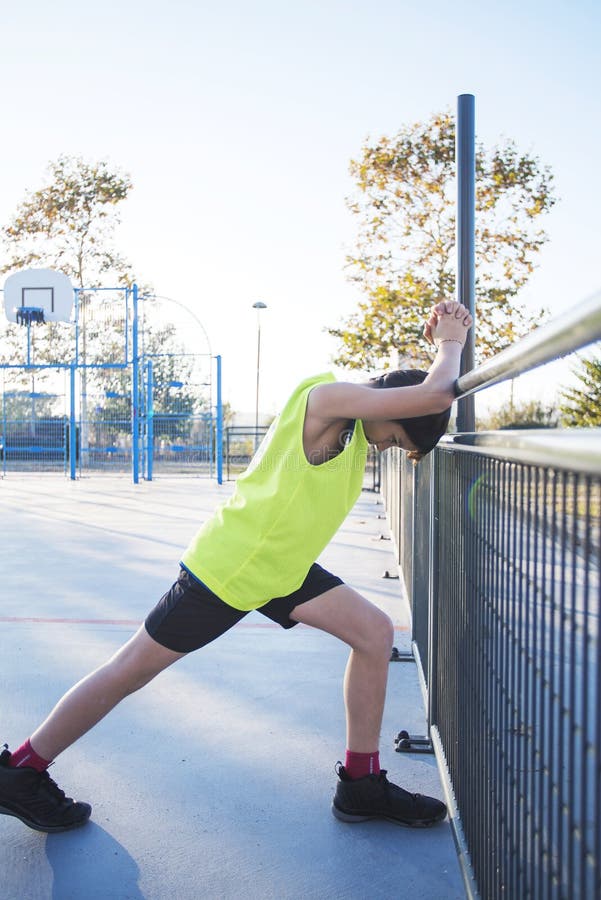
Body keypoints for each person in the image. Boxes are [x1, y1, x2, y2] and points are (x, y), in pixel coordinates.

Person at [0, 299, 472, 834]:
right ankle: (21, 769)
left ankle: (360, 784)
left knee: (373, 632)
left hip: (279, 570)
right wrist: (451, 341)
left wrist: (440, 359)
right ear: (393, 405)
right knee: (129, 671)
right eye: (395, 437)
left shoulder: (360, 426)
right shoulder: (328, 399)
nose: (385, 446)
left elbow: (428, 396)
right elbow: (434, 392)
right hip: (231, 568)